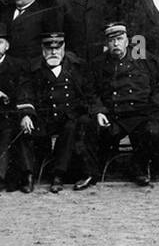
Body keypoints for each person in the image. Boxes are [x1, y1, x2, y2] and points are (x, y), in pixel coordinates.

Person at [16, 30, 98, 192]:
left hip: (68, 117)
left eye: (57, 48)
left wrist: (90, 111)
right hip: (43, 118)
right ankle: (28, 175)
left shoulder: (77, 66)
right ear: (42, 49)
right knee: (22, 131)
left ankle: (58, 176)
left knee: (71, 128)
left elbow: (89, 93)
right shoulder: (33, 68)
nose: (53, 52)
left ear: (64, 47)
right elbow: (25, 93)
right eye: (49, 48)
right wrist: (26, 114)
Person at [92, 22, 159, 186]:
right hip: (114, 115)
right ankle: (94, 171)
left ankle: (139, 168)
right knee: (94, 131)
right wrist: (99, 110)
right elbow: (90, 91)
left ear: (127, 40)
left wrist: (154, 108)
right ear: (107, 43)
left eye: (119, 39)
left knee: (153, 131)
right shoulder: (98, 63)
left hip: (142, 114)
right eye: (112, 41)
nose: (116, 44)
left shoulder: (143, 58)